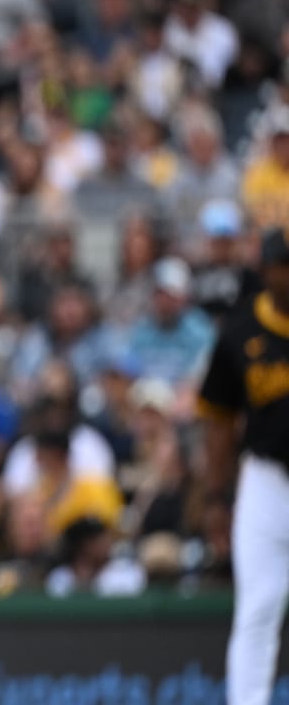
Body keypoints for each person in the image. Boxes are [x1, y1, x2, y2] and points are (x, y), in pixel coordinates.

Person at [199, 228, 289, 705]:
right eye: (282, 264)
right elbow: (218, 423)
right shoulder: (242, 330)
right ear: (268, 269)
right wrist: (216, 497)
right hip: (266, 480)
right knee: (258, 606)